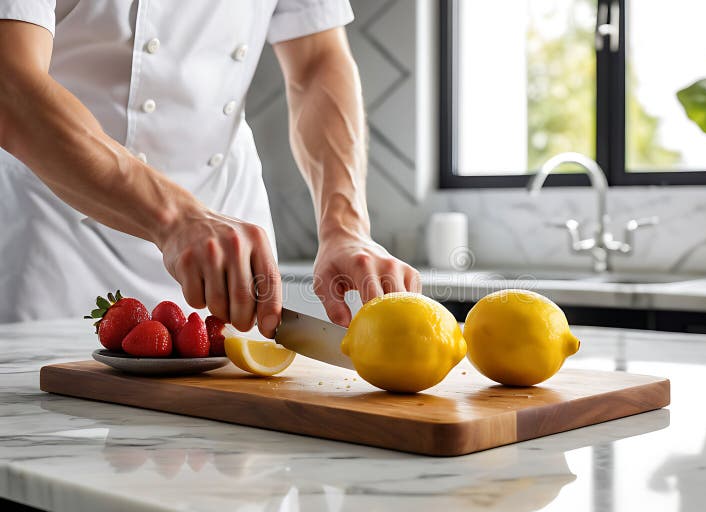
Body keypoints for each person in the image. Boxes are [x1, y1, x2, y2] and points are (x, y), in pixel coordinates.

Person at [0, 0, 420, 336]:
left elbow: (317, 62)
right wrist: (178, 218)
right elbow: (11, 85)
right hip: (59, 239)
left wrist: (345, 227)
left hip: (230, 244)